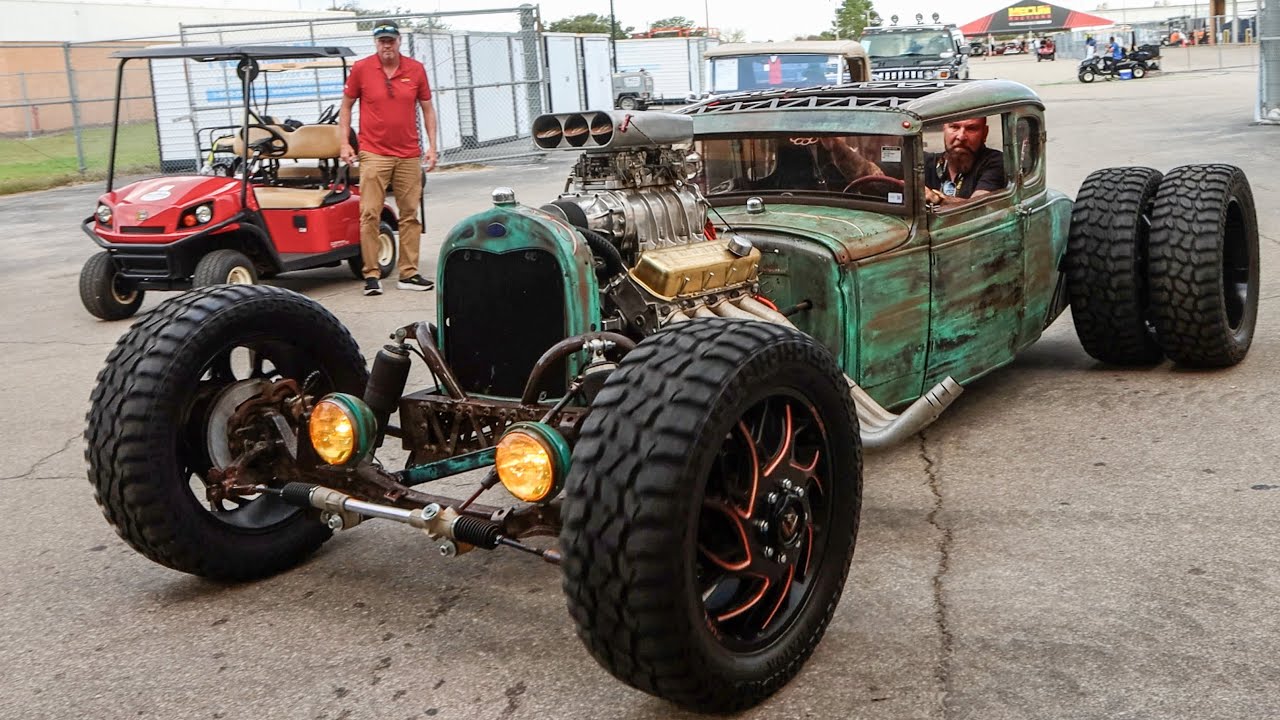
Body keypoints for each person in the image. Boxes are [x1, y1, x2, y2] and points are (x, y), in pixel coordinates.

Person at [339, 23, 439, 296]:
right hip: (374, 152)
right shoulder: (361, 68)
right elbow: (346, 106)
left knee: (410, 215)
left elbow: (428, 109)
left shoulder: (415, 69)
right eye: (382, 41)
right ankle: (371, 275)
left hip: (408, 153)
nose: (387, 46)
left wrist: (432, 146)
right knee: (369, 212)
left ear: (398, 42)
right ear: (375, 43)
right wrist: (344, 142)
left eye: (391, 41)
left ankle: (409, 273)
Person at [923, 117, 1005, 207]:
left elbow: (979, 206)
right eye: (954, 127)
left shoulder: (995, 162)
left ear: (985, 133)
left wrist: (936, 199)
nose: (961, 136)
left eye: (971, 129)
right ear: (944, 129)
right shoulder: (925, 162)